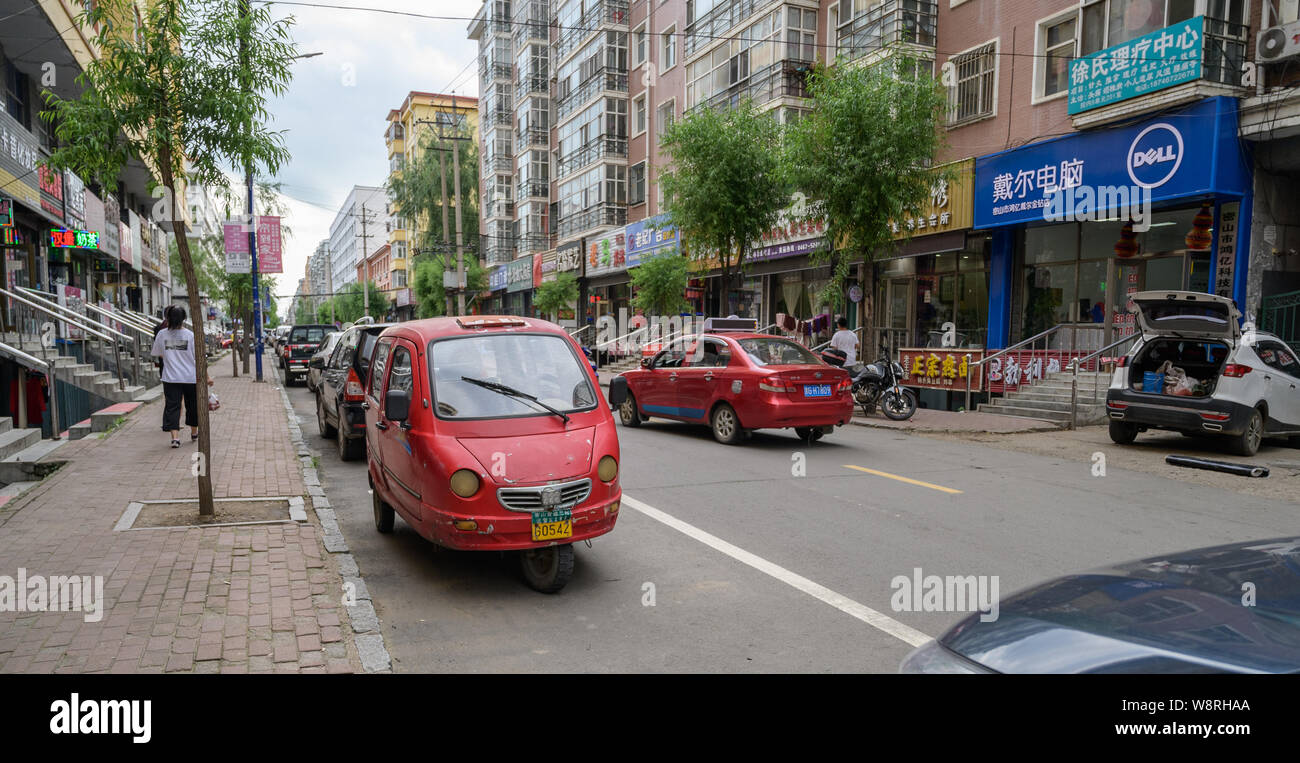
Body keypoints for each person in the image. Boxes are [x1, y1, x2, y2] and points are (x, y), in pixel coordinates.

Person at [151, 305, 199, 448]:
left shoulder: (162, 334)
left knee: (172, 407)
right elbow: (197, 357)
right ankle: (194, 432)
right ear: (184, 318)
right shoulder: (190, 335)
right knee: (192, 406)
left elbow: (157, 353)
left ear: (168, 318)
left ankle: (175, 438)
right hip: (190, 377)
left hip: (170, 378)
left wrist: (170, 355)